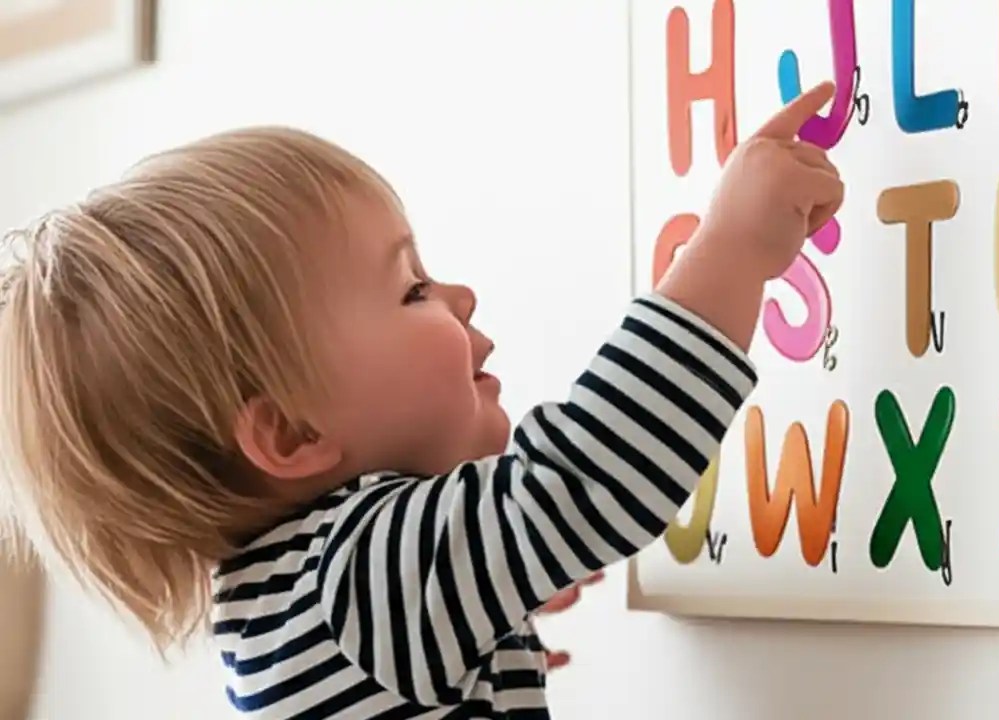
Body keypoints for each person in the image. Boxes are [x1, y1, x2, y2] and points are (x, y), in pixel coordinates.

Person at [0, 82, 843, 717]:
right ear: (291, 432)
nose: (462, 294)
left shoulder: (288, 592)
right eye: (412, 290)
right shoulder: (353, 587)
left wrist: (487, 606)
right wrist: (732, 247)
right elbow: (584, 482)